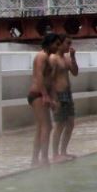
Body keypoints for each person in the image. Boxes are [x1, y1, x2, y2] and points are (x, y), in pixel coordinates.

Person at [28, 34, 60, 166]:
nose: (57, 47)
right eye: (56, 44)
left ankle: (35, 159)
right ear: (49, 43)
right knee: (47, 126)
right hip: (38, 94)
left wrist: (53, 98)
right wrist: (45, 95)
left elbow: (49, 81)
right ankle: (44, 158)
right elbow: (39, 76)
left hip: (41, 94)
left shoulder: (48, 57)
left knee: (41, 127)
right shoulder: (41, 56)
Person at [50, 36, 80, 161]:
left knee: (70, 123)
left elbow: (75, 72)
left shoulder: (67, 58)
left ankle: (63, 151)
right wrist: (53, 98)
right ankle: (55, 154)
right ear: (60, 43)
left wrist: (73, 57)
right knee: (59, 124)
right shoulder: (53, 58)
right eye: (67, 43)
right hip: (58, 94)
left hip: (67, 94)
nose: (69, 46)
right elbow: (50, 79)